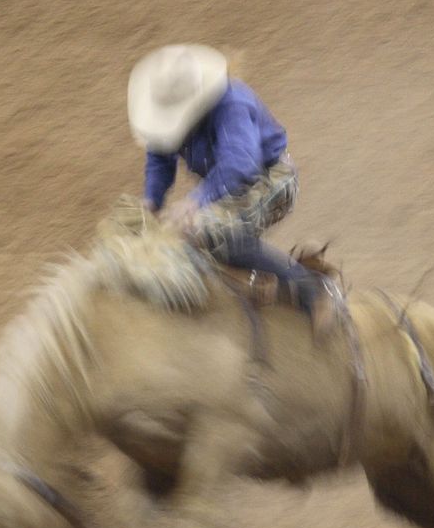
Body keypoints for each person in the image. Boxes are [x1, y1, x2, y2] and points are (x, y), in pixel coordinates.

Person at [127, 44, 337, 337]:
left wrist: (195, 201)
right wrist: (151, 201)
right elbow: (160, 158)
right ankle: (257, 275)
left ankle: (311, 287)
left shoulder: (232, 104)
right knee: (175, 235)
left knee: (208, 229)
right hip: (226, 187)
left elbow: (240, 164)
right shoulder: (174, 122)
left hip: (272, 179)